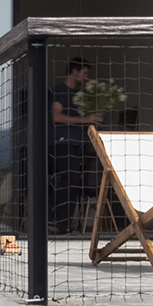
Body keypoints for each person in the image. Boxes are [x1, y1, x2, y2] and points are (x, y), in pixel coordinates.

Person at [47, 56, 96, 236]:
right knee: (69, 180)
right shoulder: (60, 90)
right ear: (74, 71)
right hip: (62, 143)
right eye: (84, 73)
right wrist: (85, 119)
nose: (86, 77)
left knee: (72, 182)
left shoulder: (77, 95)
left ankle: (62, 224)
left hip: (74, 144)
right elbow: (56, 116)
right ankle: (56, 222)